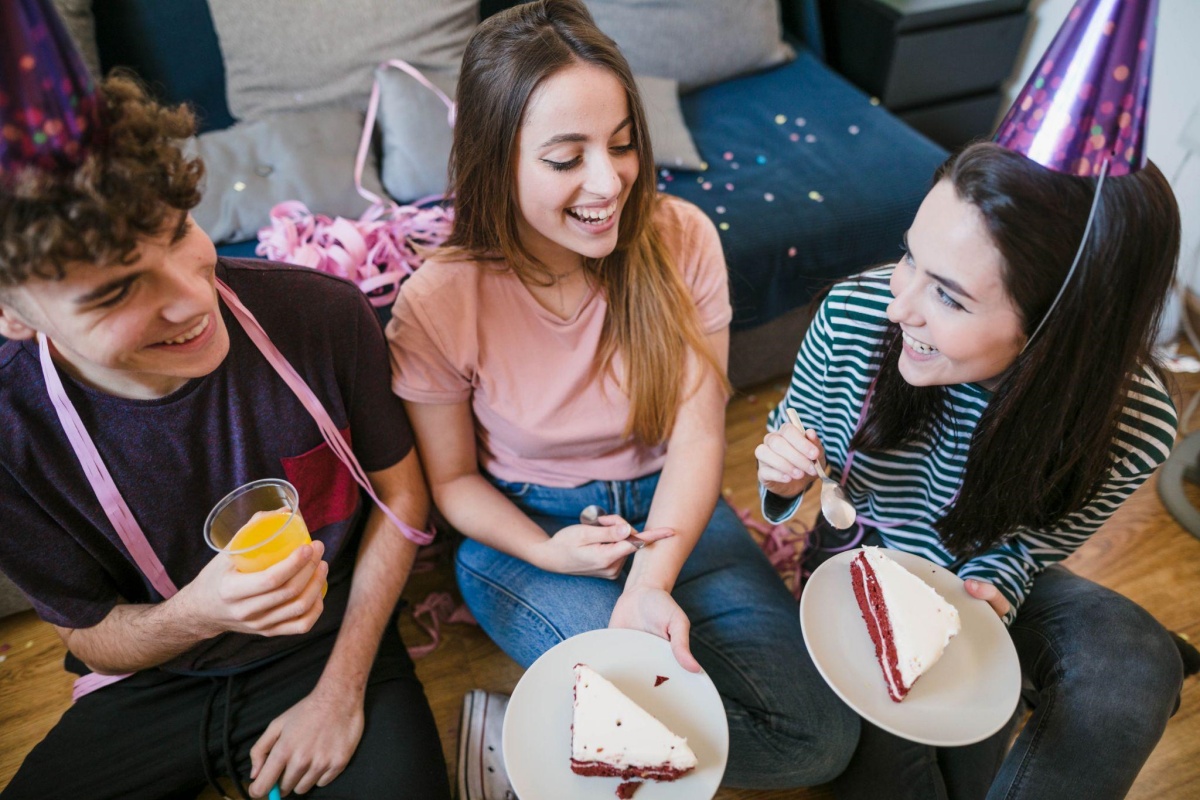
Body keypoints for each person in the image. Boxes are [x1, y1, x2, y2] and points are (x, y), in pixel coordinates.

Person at [386, 0, 857, 789]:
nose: (609, 182)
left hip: (675, 512)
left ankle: (545, 724)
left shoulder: (682, 238)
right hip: (528, 533)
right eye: (566, 158)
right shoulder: (438, 301)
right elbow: (454, 483)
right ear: (495, 159)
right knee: (647, 709)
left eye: (623, 144)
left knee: (817, 741)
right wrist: (544, 550)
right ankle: (529, 729)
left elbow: (701, 434)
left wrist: (649, 585)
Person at [0, 61, 450, 800]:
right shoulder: (13, 434)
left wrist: (339, 691)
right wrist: (195, 614)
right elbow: (87, 634)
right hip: (149, 680)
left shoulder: (324, 317)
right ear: (14, 316)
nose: (191, 298)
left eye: (179, 232)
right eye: (117, 291)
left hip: (327, 647)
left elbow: (402, 498)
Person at [756, 140, 1190, 799]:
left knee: (1135, 666)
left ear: (1060, 328)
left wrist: (992, 590)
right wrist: (783, 478)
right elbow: (793, 453)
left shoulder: (1131, 424)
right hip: (861, 568)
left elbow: (1031, 547)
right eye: (910, 256)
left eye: (950, 298)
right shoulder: (853, 320)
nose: (900, 307)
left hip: (981, 580)